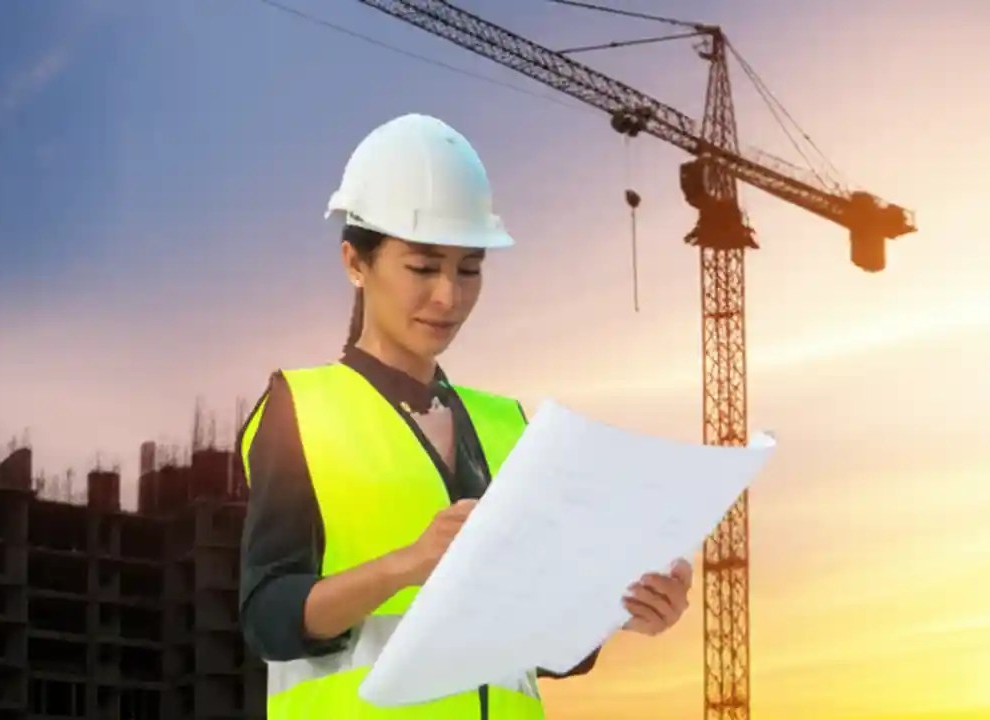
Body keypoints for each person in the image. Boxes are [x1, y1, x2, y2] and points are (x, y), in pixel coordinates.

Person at [237, 113, 695, 719]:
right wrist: (407, 565)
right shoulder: (303, 408)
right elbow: (268, 616)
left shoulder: (506, 427)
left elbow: (542, 650)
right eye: (424, 268)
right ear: (356, 262)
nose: (449, 296)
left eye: (469, 269)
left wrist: (619, 610)